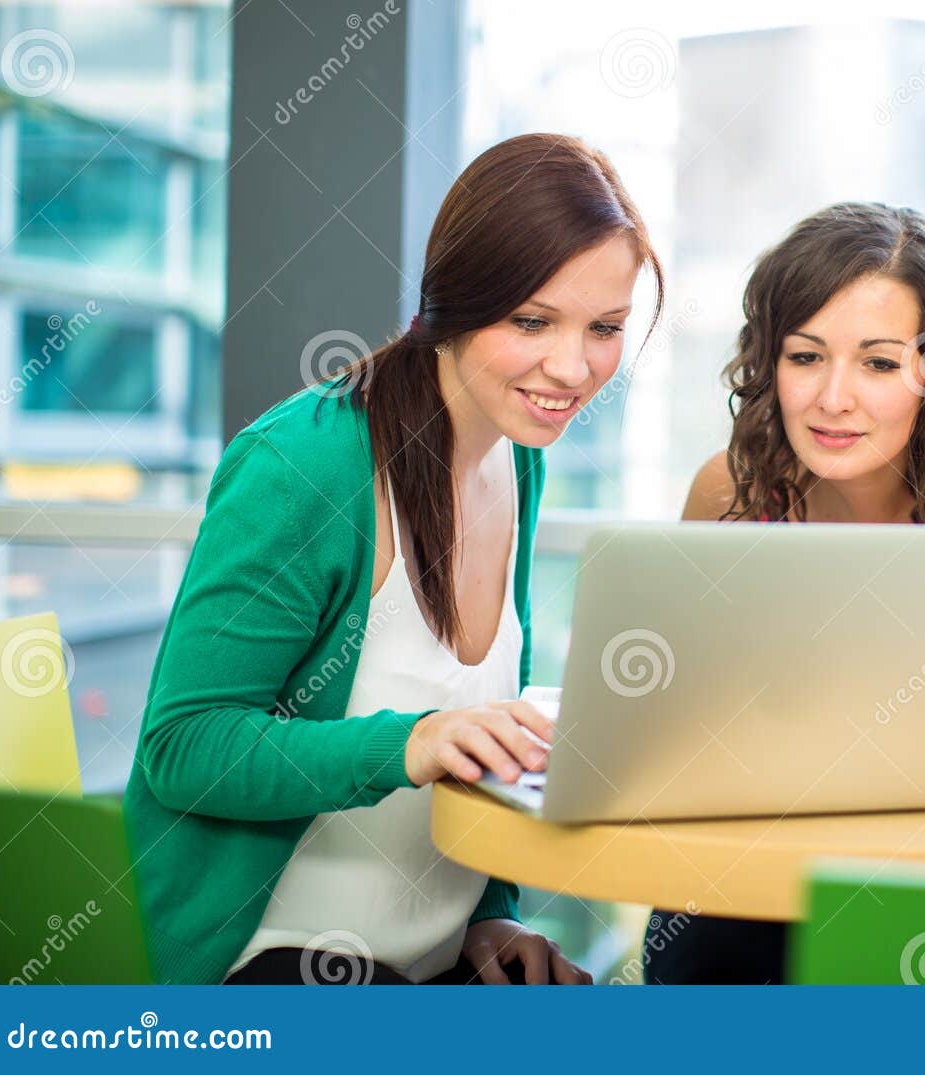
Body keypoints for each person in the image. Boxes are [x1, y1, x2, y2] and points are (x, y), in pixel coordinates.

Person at [124, 133, 665, 983]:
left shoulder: (517, 456)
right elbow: (186, 746)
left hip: (433, 963)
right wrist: (407, 744)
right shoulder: (305, 463)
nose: (573, 366)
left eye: (605, 328)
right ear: (453, 301)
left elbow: (474, 727)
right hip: (270, 965)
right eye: (531, 320)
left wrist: (490, 917)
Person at [649, 201, 925, 982]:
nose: (833, 398)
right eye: (806, 356)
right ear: (767, 362)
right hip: (755, 866)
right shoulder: (729, 490)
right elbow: (692, 724)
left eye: (879, 364)